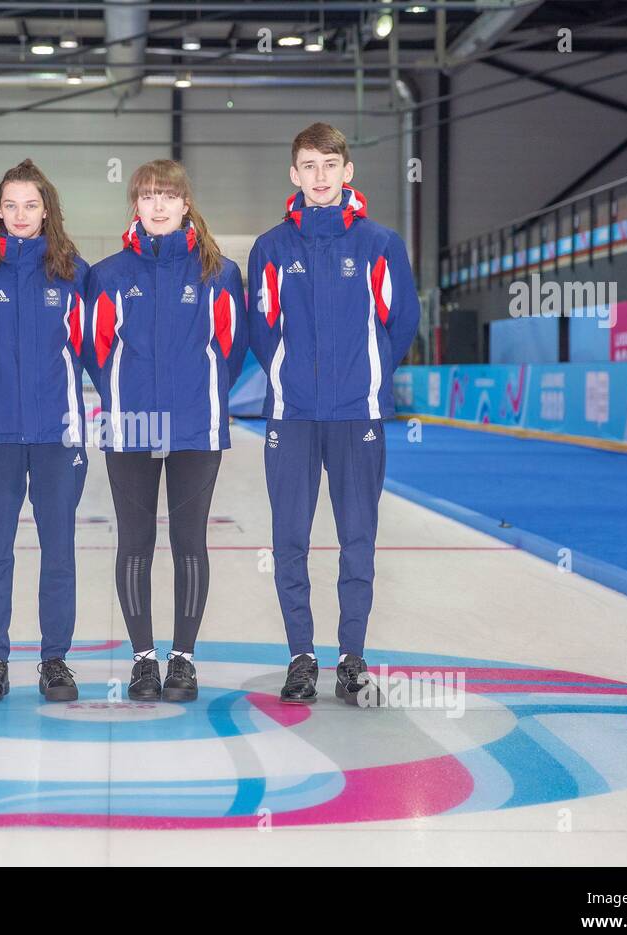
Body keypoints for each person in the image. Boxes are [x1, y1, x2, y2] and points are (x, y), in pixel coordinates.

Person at [246, 122, 420, 705]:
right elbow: (261, 329)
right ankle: (301, 656)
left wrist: (363, 379)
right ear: (294, 176)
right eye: (308, 166)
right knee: (290, 538)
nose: (319, 177)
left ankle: (351, 658)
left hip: (356, 416)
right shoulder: (271, 248)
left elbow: (402, 323)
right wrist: (289, 381)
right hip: (291, 418)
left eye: (330, 165)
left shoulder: (380, 244)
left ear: (348, 173)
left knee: (357, 539)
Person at [82, 159, 246, 703]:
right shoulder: (107, 275)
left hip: (196, 427)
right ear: (135, 204)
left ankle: (183, 659)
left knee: (188, 542)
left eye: (167, 196)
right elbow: (94, 348)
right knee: (135, 543)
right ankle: (143, 660)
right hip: (129, 426)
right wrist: (120, 392)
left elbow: (233, 346)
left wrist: (202, 393)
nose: (157, 205)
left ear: (184, 204)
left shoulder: (218, 272)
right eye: (147, 196)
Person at [0, 159, 90, 703]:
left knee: (59, 551)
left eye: (31, 205)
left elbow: (89, 349)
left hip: (59, 436)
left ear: (47, 210)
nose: (20, 214)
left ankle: (55, 660)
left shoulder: (75, 272)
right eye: (10, 205)